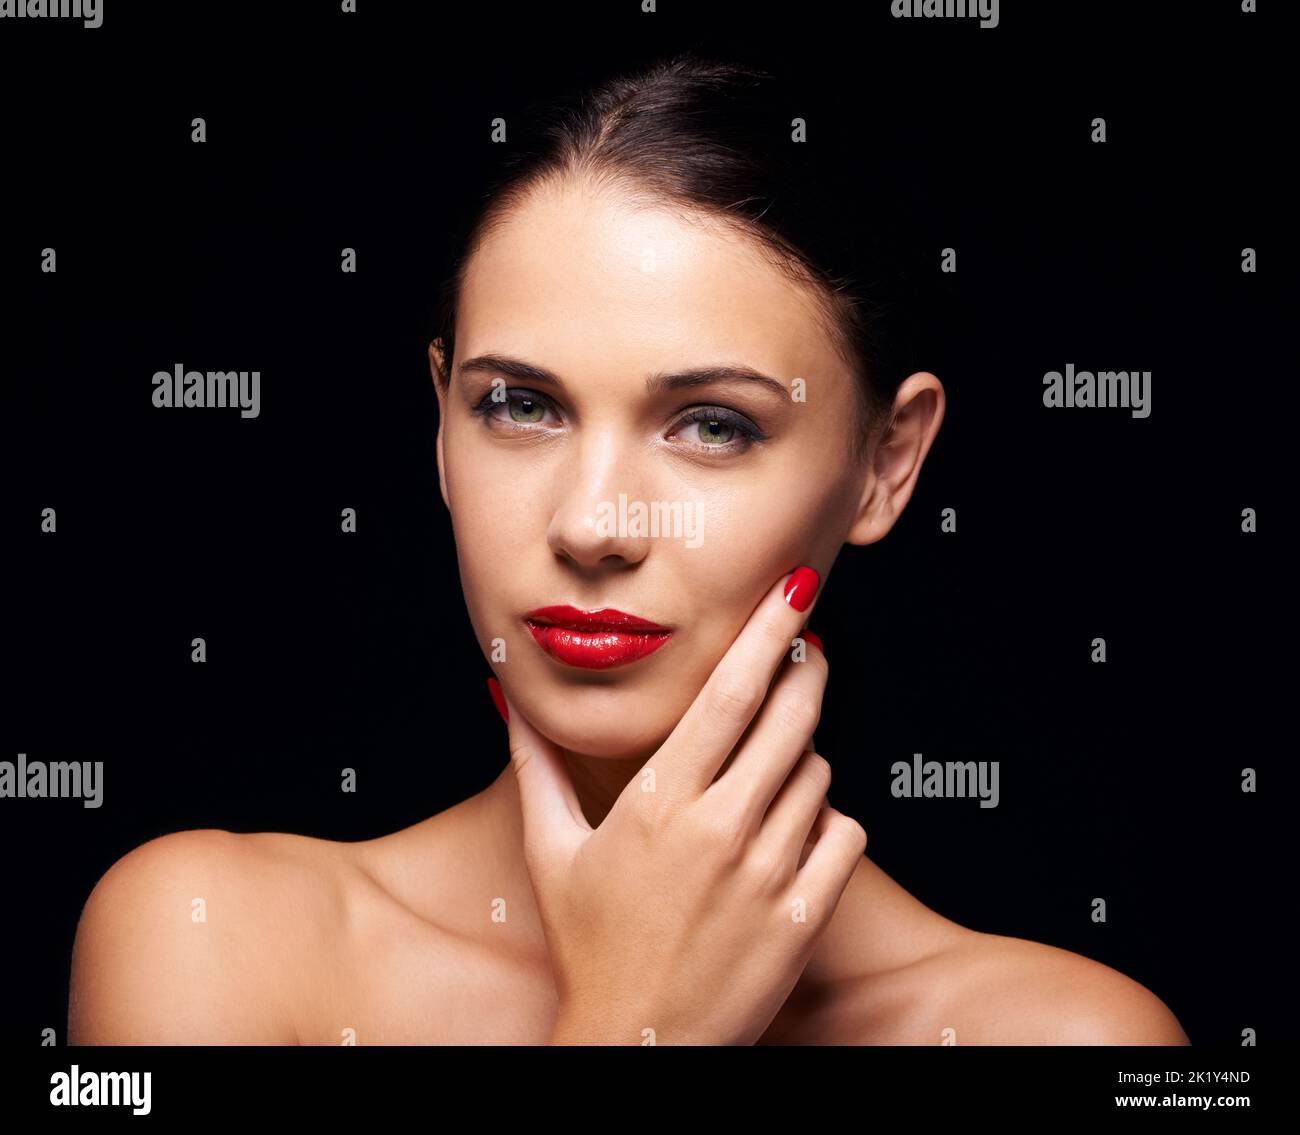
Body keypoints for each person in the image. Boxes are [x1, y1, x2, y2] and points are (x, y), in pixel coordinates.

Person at [67, 52, 1188, 1045]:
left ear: (885, 464)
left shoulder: (1066, 1034)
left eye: (713, 425)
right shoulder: (207, 938)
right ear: (440, 428)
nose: (594, 525)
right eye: (519, 405)